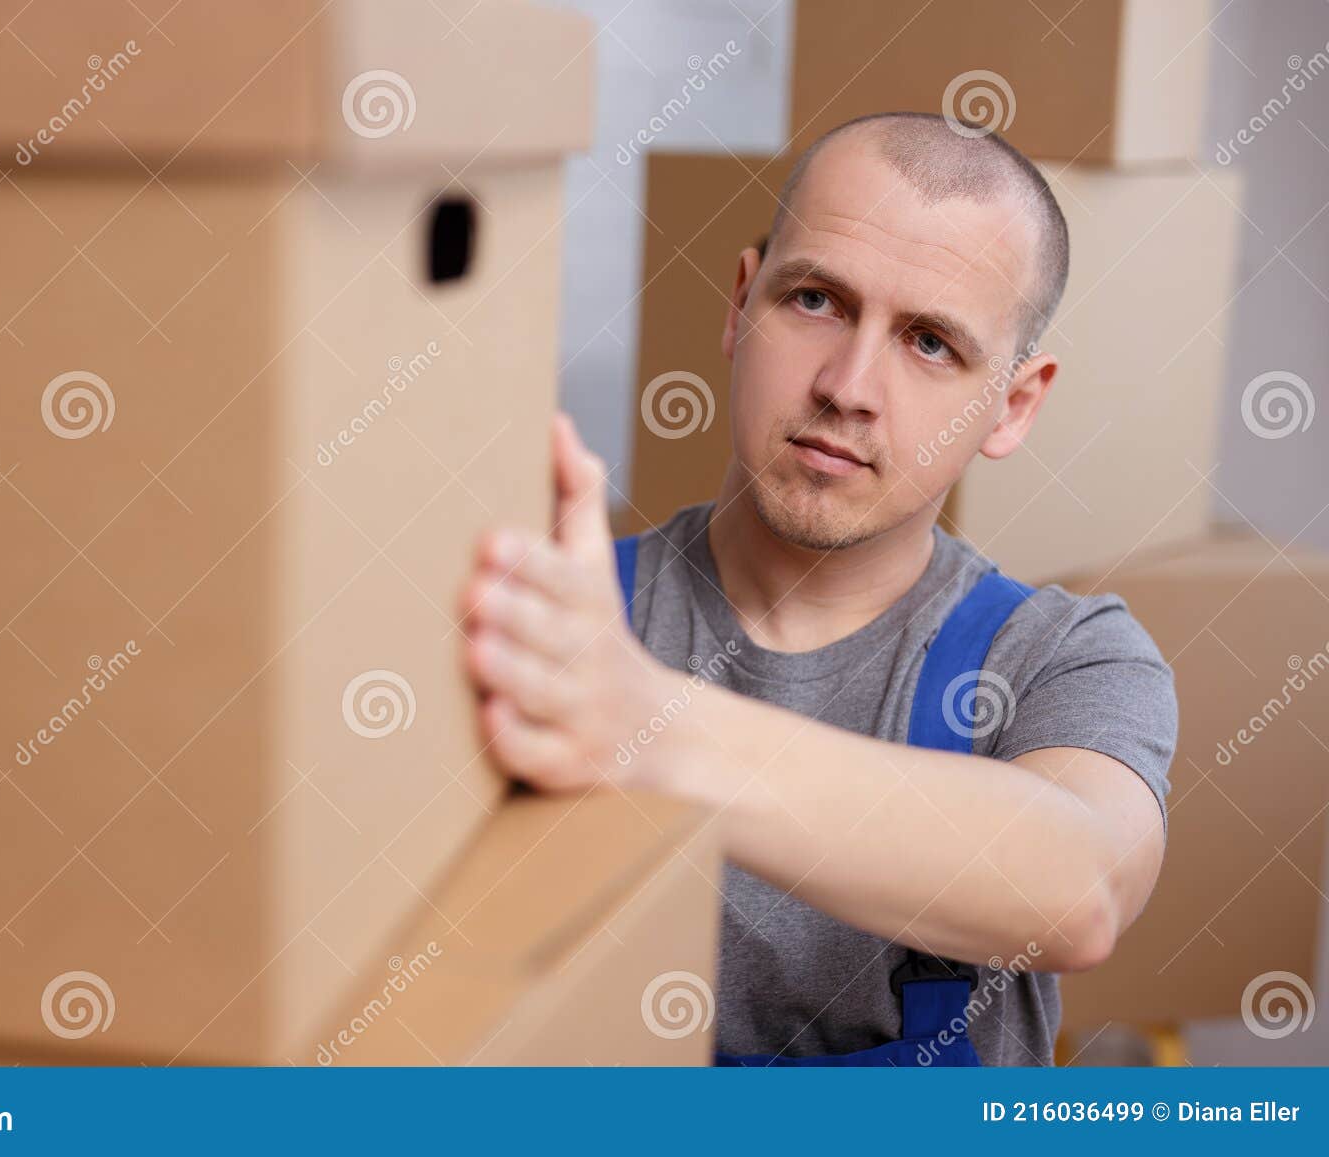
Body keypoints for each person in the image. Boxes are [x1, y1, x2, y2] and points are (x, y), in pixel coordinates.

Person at [456, 112, 1176, 1066]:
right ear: (740, 305)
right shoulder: (554, 623)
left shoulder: (1059, 656)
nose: (849, 385)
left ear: (1013, 403)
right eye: (817, 302)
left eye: (929, 343)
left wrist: (640, 720)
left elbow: (1077, 890)